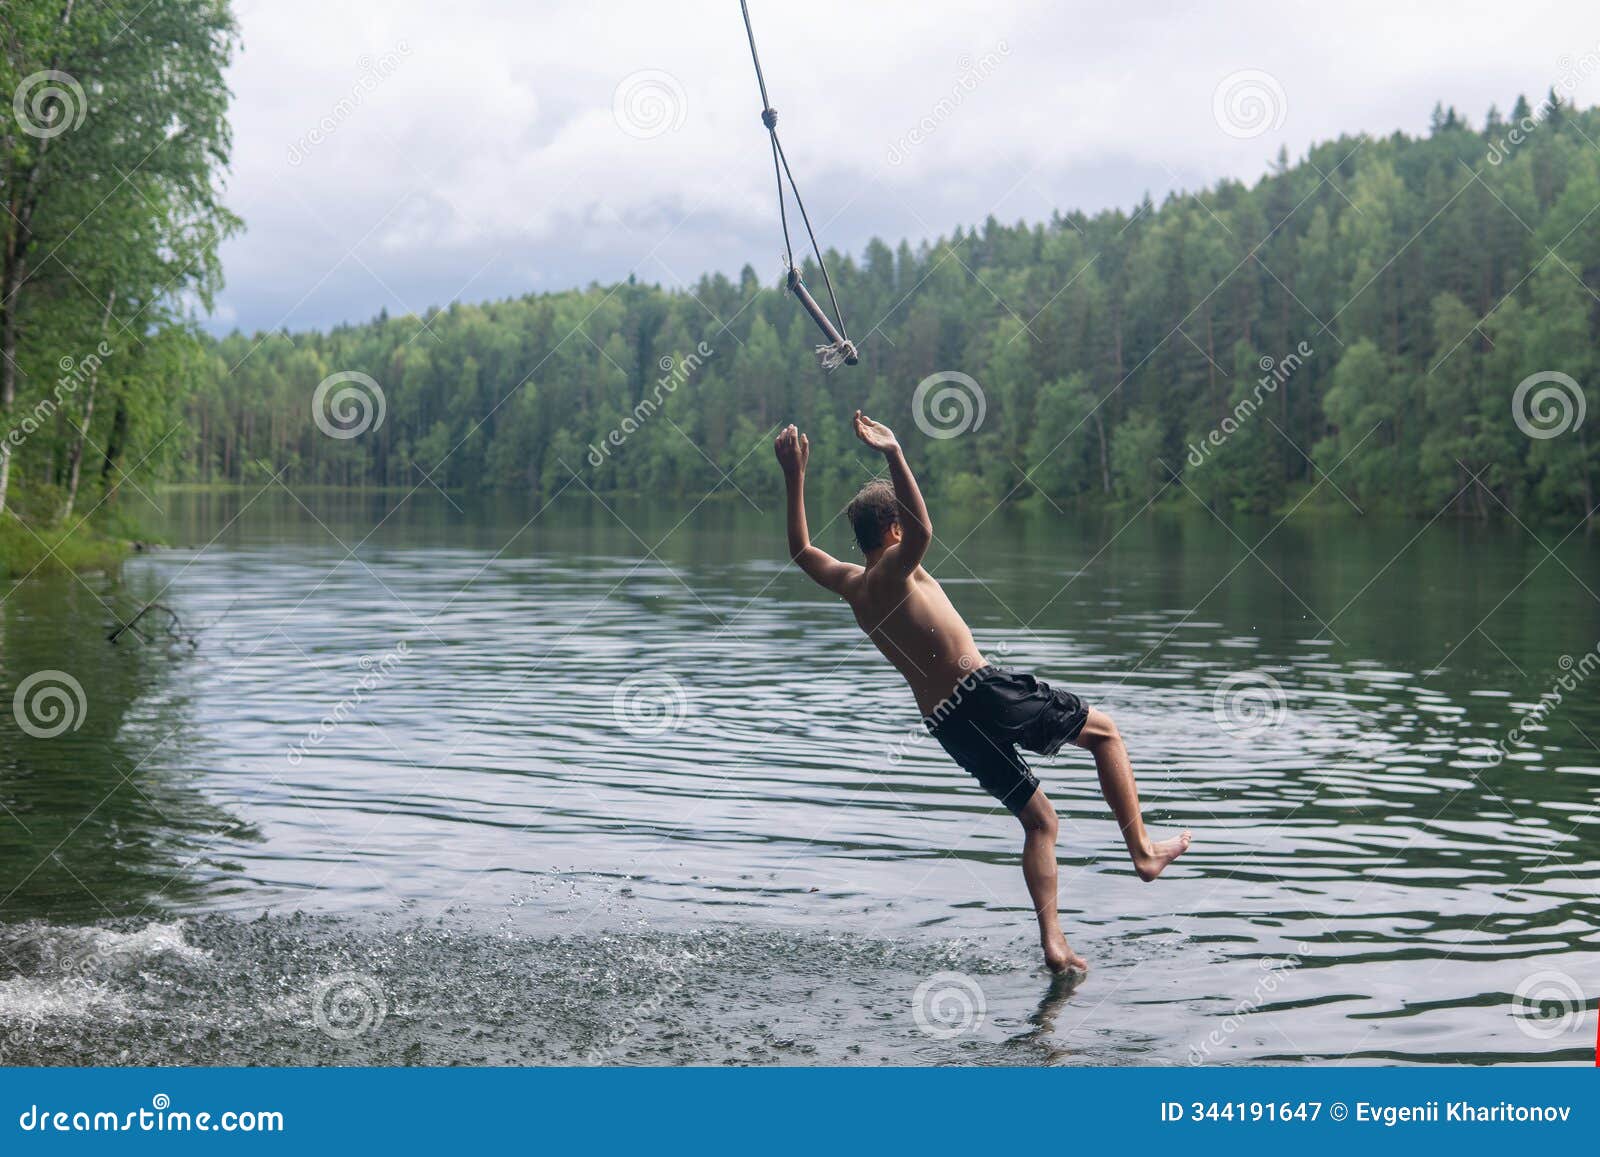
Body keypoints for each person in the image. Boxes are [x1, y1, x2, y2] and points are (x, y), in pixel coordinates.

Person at [774, 411, 1191, 974]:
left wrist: (794, 476)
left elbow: (802, 551)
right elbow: (924, 531)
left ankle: (1054, 943)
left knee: (1040, 822)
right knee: (1106, 733)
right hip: (980, 690)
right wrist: (894, 453)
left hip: (945, 722)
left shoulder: (854, 586)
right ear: (892, 531)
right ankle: (1141, 851)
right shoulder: (896, 568)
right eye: (900, 526)